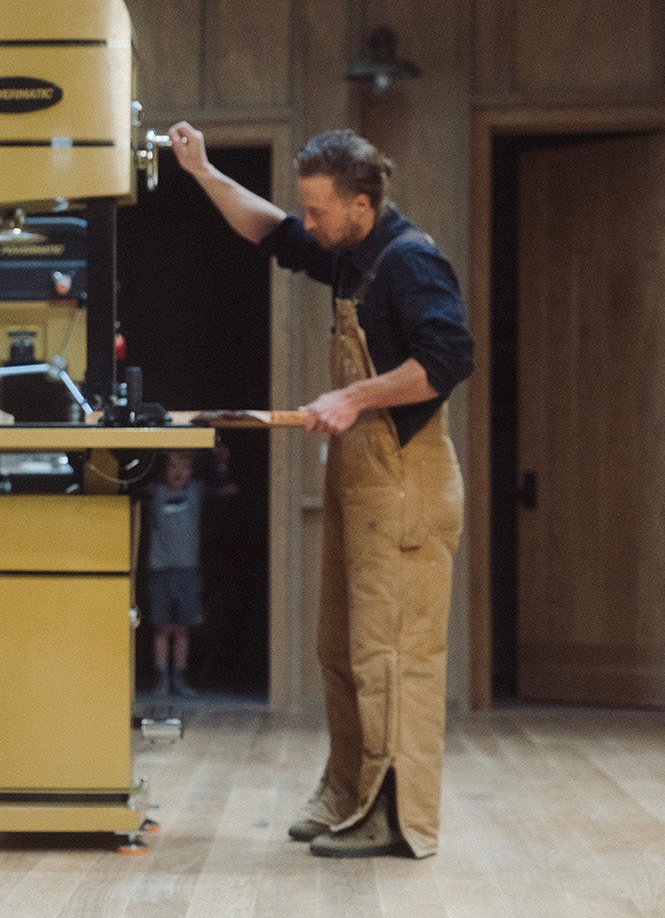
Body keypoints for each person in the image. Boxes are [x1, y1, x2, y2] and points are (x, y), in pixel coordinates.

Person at [168, 123, 473, 859]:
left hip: (406, 484)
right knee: (343, 646)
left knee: (391, 653)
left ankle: (395, 814)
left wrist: (354, 396)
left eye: (319, 210)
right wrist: (203, 171)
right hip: (361, 478)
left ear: (362, 205)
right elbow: (270, 231)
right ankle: (347, 792)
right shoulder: (348, 253)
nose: (308, 223)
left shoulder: (410, 262)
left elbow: (448, 358)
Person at [142, 448, 235, 697]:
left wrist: (220, 461)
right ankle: (161, 680)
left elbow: (226, 489)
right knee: (162, 628)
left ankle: (179, 679)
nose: (178, 473)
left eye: (184, 468)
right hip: (160, 570)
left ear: (192, 471)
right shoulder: (155, 493)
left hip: (188, 570)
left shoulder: (196, 491)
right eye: (173, 467)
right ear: (165, 470)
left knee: (183, 629)